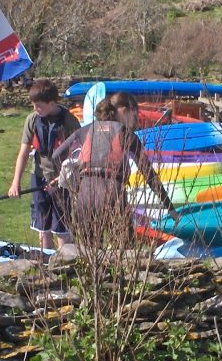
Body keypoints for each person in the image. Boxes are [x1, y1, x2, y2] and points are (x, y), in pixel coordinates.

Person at [51, 91, 177, 246]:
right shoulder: (125, 133)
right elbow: (148, 173)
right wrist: (169, 207)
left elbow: (56, 155)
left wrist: (68, 176)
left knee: (89, 253)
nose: (135, 120)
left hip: (85, 196)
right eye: (134, 114)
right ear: (124, 111)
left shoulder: (85, 130)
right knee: (125, 251)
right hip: (112, 195)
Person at [8, 78, 81, 251]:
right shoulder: (32, 120)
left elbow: (78, 155)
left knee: (62, 226)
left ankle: (65, 263)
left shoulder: (69, 121)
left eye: (39, 106)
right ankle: (46, 262)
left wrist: (61, 178)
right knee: (43, 225)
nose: (35, 109)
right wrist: (15, 182)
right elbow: (24, 153)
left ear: (52, 103)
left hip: (63, 179)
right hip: (39, 177)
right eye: (33, 105)